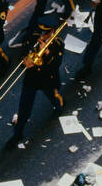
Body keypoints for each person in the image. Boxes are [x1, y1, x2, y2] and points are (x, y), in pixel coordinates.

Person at [8, 11, 66, 147]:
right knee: (24, 108)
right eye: (41, 32)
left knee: (54, 97)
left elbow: (56, 65)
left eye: (45, 33)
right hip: (31, 79)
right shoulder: (31, 38)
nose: (42, 36)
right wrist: (25, 62)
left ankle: (59, 107)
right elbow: (22, 54)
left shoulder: (58, 44)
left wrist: (46, 54)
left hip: (48, 79)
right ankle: (18, 133)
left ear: (52, 31)